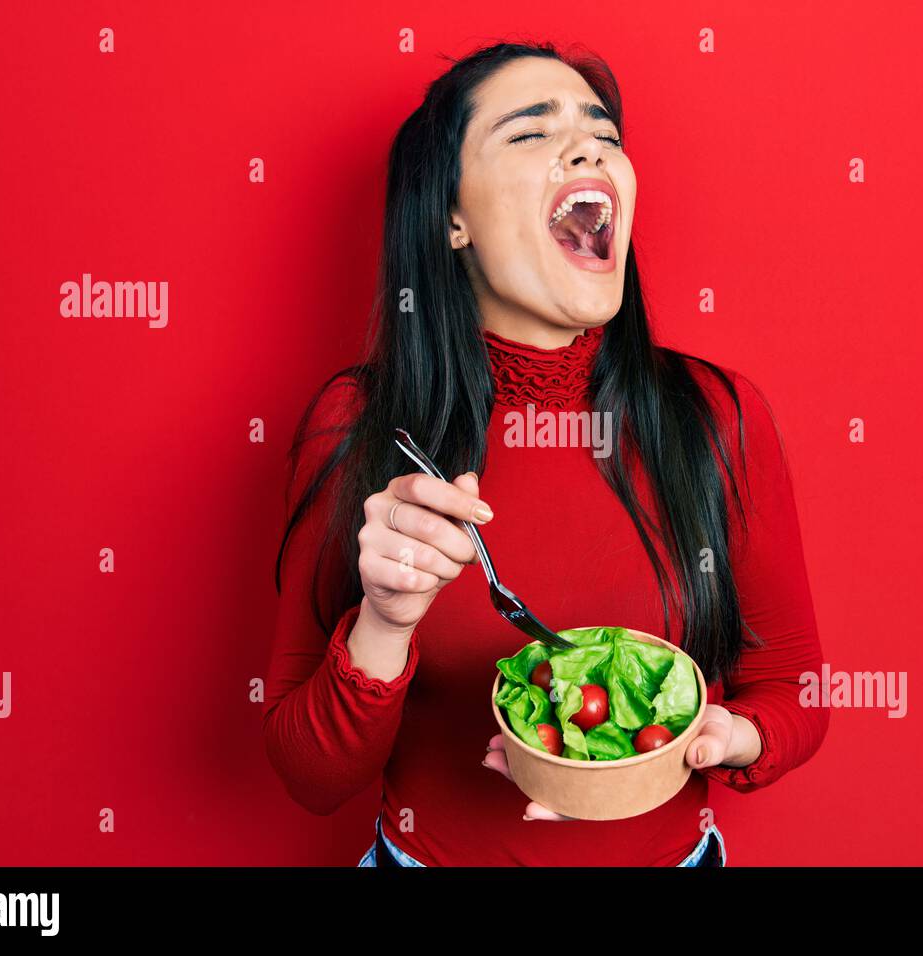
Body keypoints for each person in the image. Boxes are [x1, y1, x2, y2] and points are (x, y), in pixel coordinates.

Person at [262, 40, 828, 866]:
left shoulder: (717, 415)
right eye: (531, 133)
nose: (589, 145)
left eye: (603, 132)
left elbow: (796, 690)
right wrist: (383, 623)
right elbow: (310, 777)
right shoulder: (357, 425)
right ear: (451, 217)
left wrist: (730, 736)